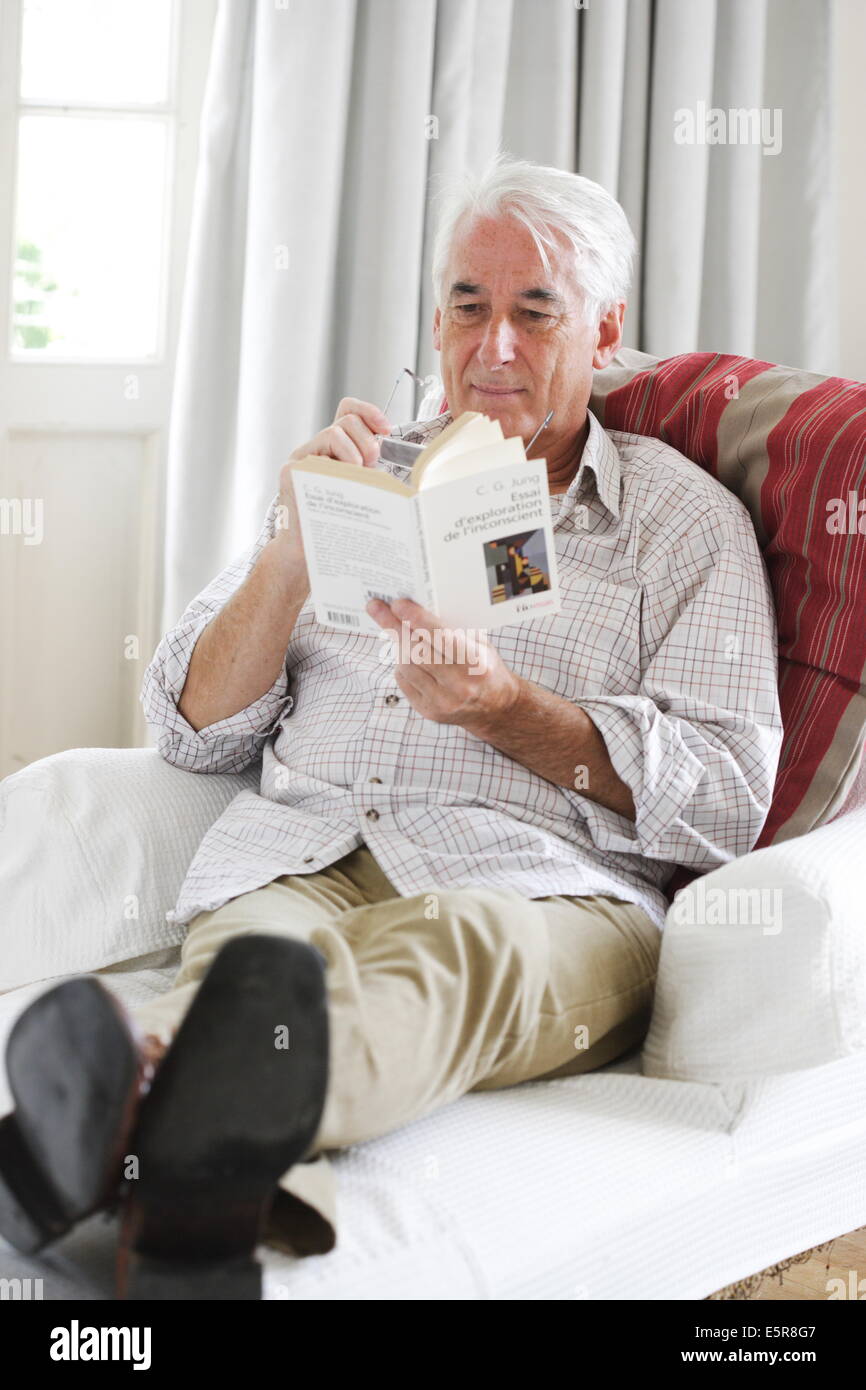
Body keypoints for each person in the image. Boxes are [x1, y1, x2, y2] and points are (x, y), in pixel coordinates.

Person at [0, 152, 783, 1298]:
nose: (493, 346)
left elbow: (723, 798)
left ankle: (132, 1106)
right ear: (435, 318)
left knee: (443, 961)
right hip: (304, 855)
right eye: (468, 305)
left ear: (605, 330)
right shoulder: (357, 476)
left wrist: (507, 711)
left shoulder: (680, 524)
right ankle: (195, 1201)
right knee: (257, 962)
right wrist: (289, 552)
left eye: (535, 311)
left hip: (539, 890)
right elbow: (191, 733)